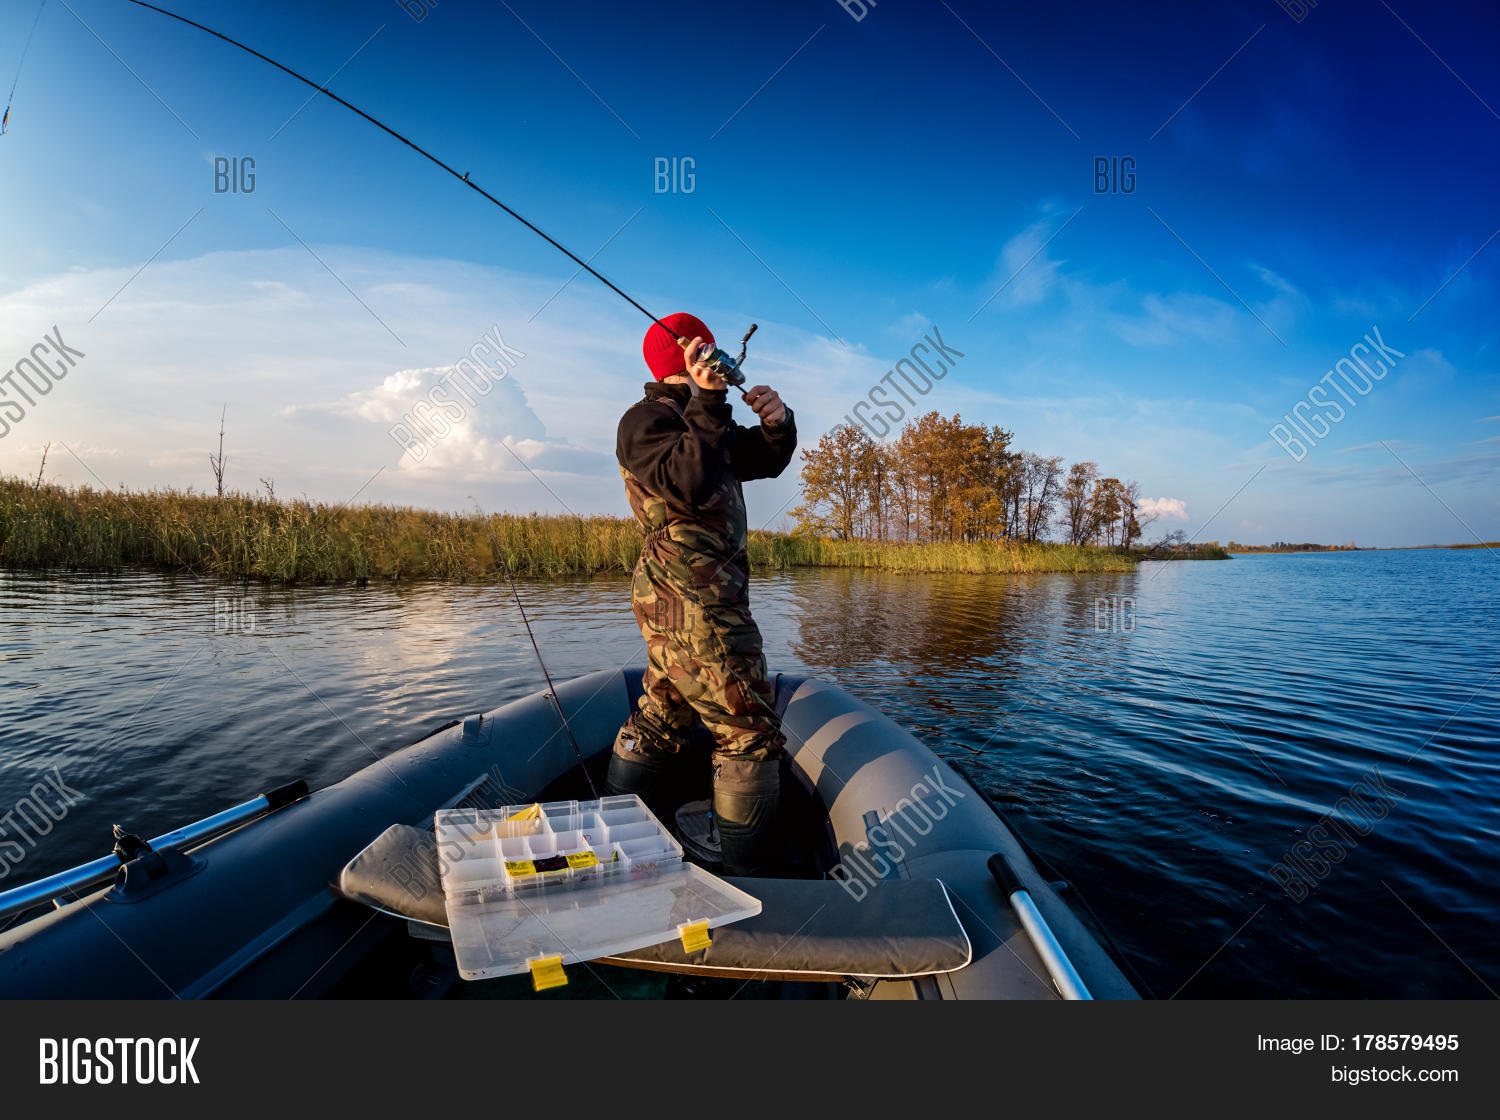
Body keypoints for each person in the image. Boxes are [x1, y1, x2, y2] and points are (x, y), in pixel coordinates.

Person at [607, 312, 798, 876]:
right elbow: (686, 483)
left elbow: (763, 459)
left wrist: (776, 423)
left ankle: (622, 830)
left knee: (665, 711)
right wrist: (711, 403)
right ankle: (755, 885)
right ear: (690, 357)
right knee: (748, 732)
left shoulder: (701, 420)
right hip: (692, 596)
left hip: (689, 595)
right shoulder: (644, 420)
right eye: (708, 350)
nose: (718, 360)